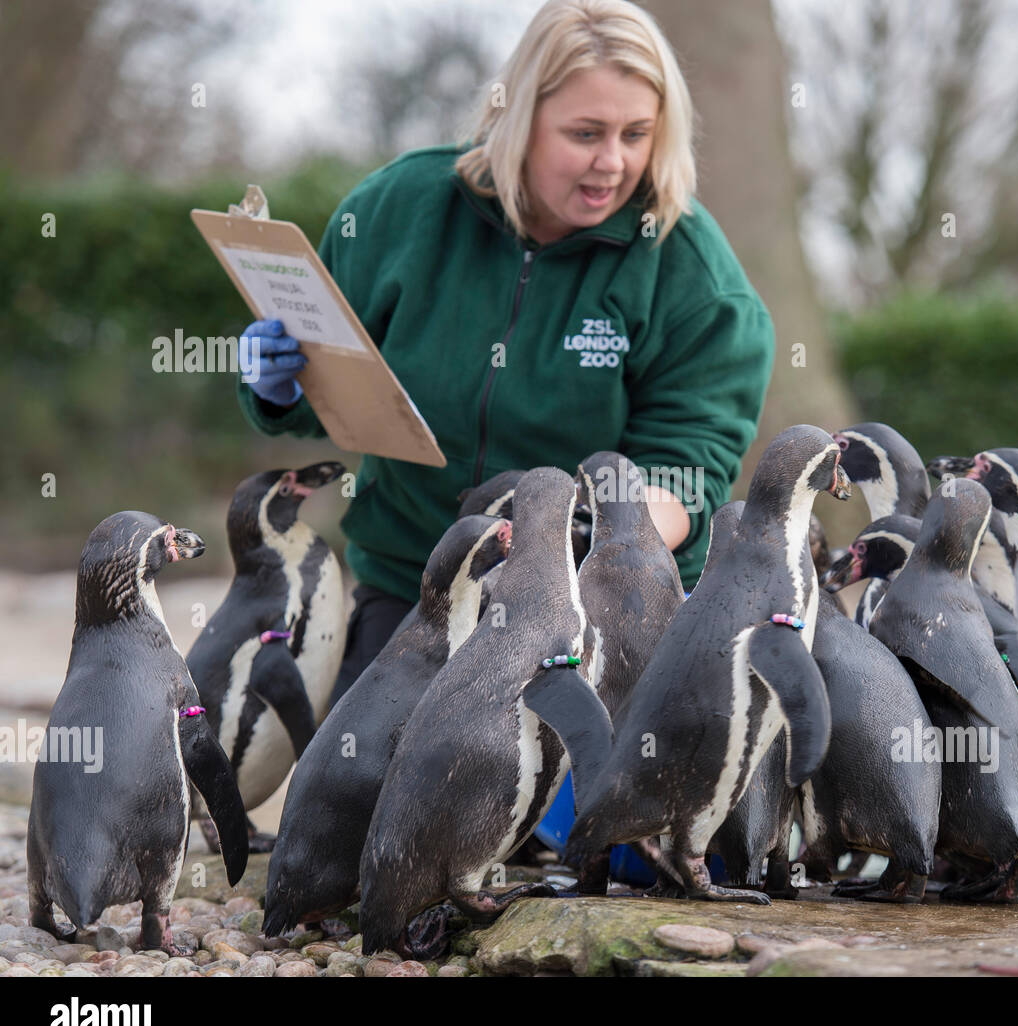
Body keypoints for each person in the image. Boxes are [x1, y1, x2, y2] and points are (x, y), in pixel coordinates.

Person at [237, 0, 774, 705]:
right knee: (356, 799)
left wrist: (569, 542)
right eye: (585, 133)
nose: (612, 162)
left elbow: (685, 473)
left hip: (590, 614)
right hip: (413, 587)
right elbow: (332, 395)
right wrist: (279, 384)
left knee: (557, 811)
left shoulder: (690, 274)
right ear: (518, 117)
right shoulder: (400, 210)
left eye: (636, 134)